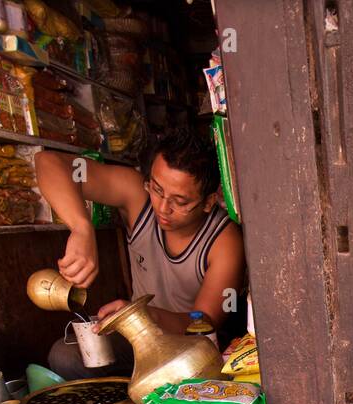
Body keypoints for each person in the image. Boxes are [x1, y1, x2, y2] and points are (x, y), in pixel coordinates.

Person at [35, 124, 245, 378]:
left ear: (209, 202)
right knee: (65, 355)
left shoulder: (224, 240)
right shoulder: (137, 196)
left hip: (189, 349)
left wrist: (142, 315)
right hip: (137, 338)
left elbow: (203, 323)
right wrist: (81, 227)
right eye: (157, 189)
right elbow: (48, 162)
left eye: (180, 202)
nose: (163, 208)